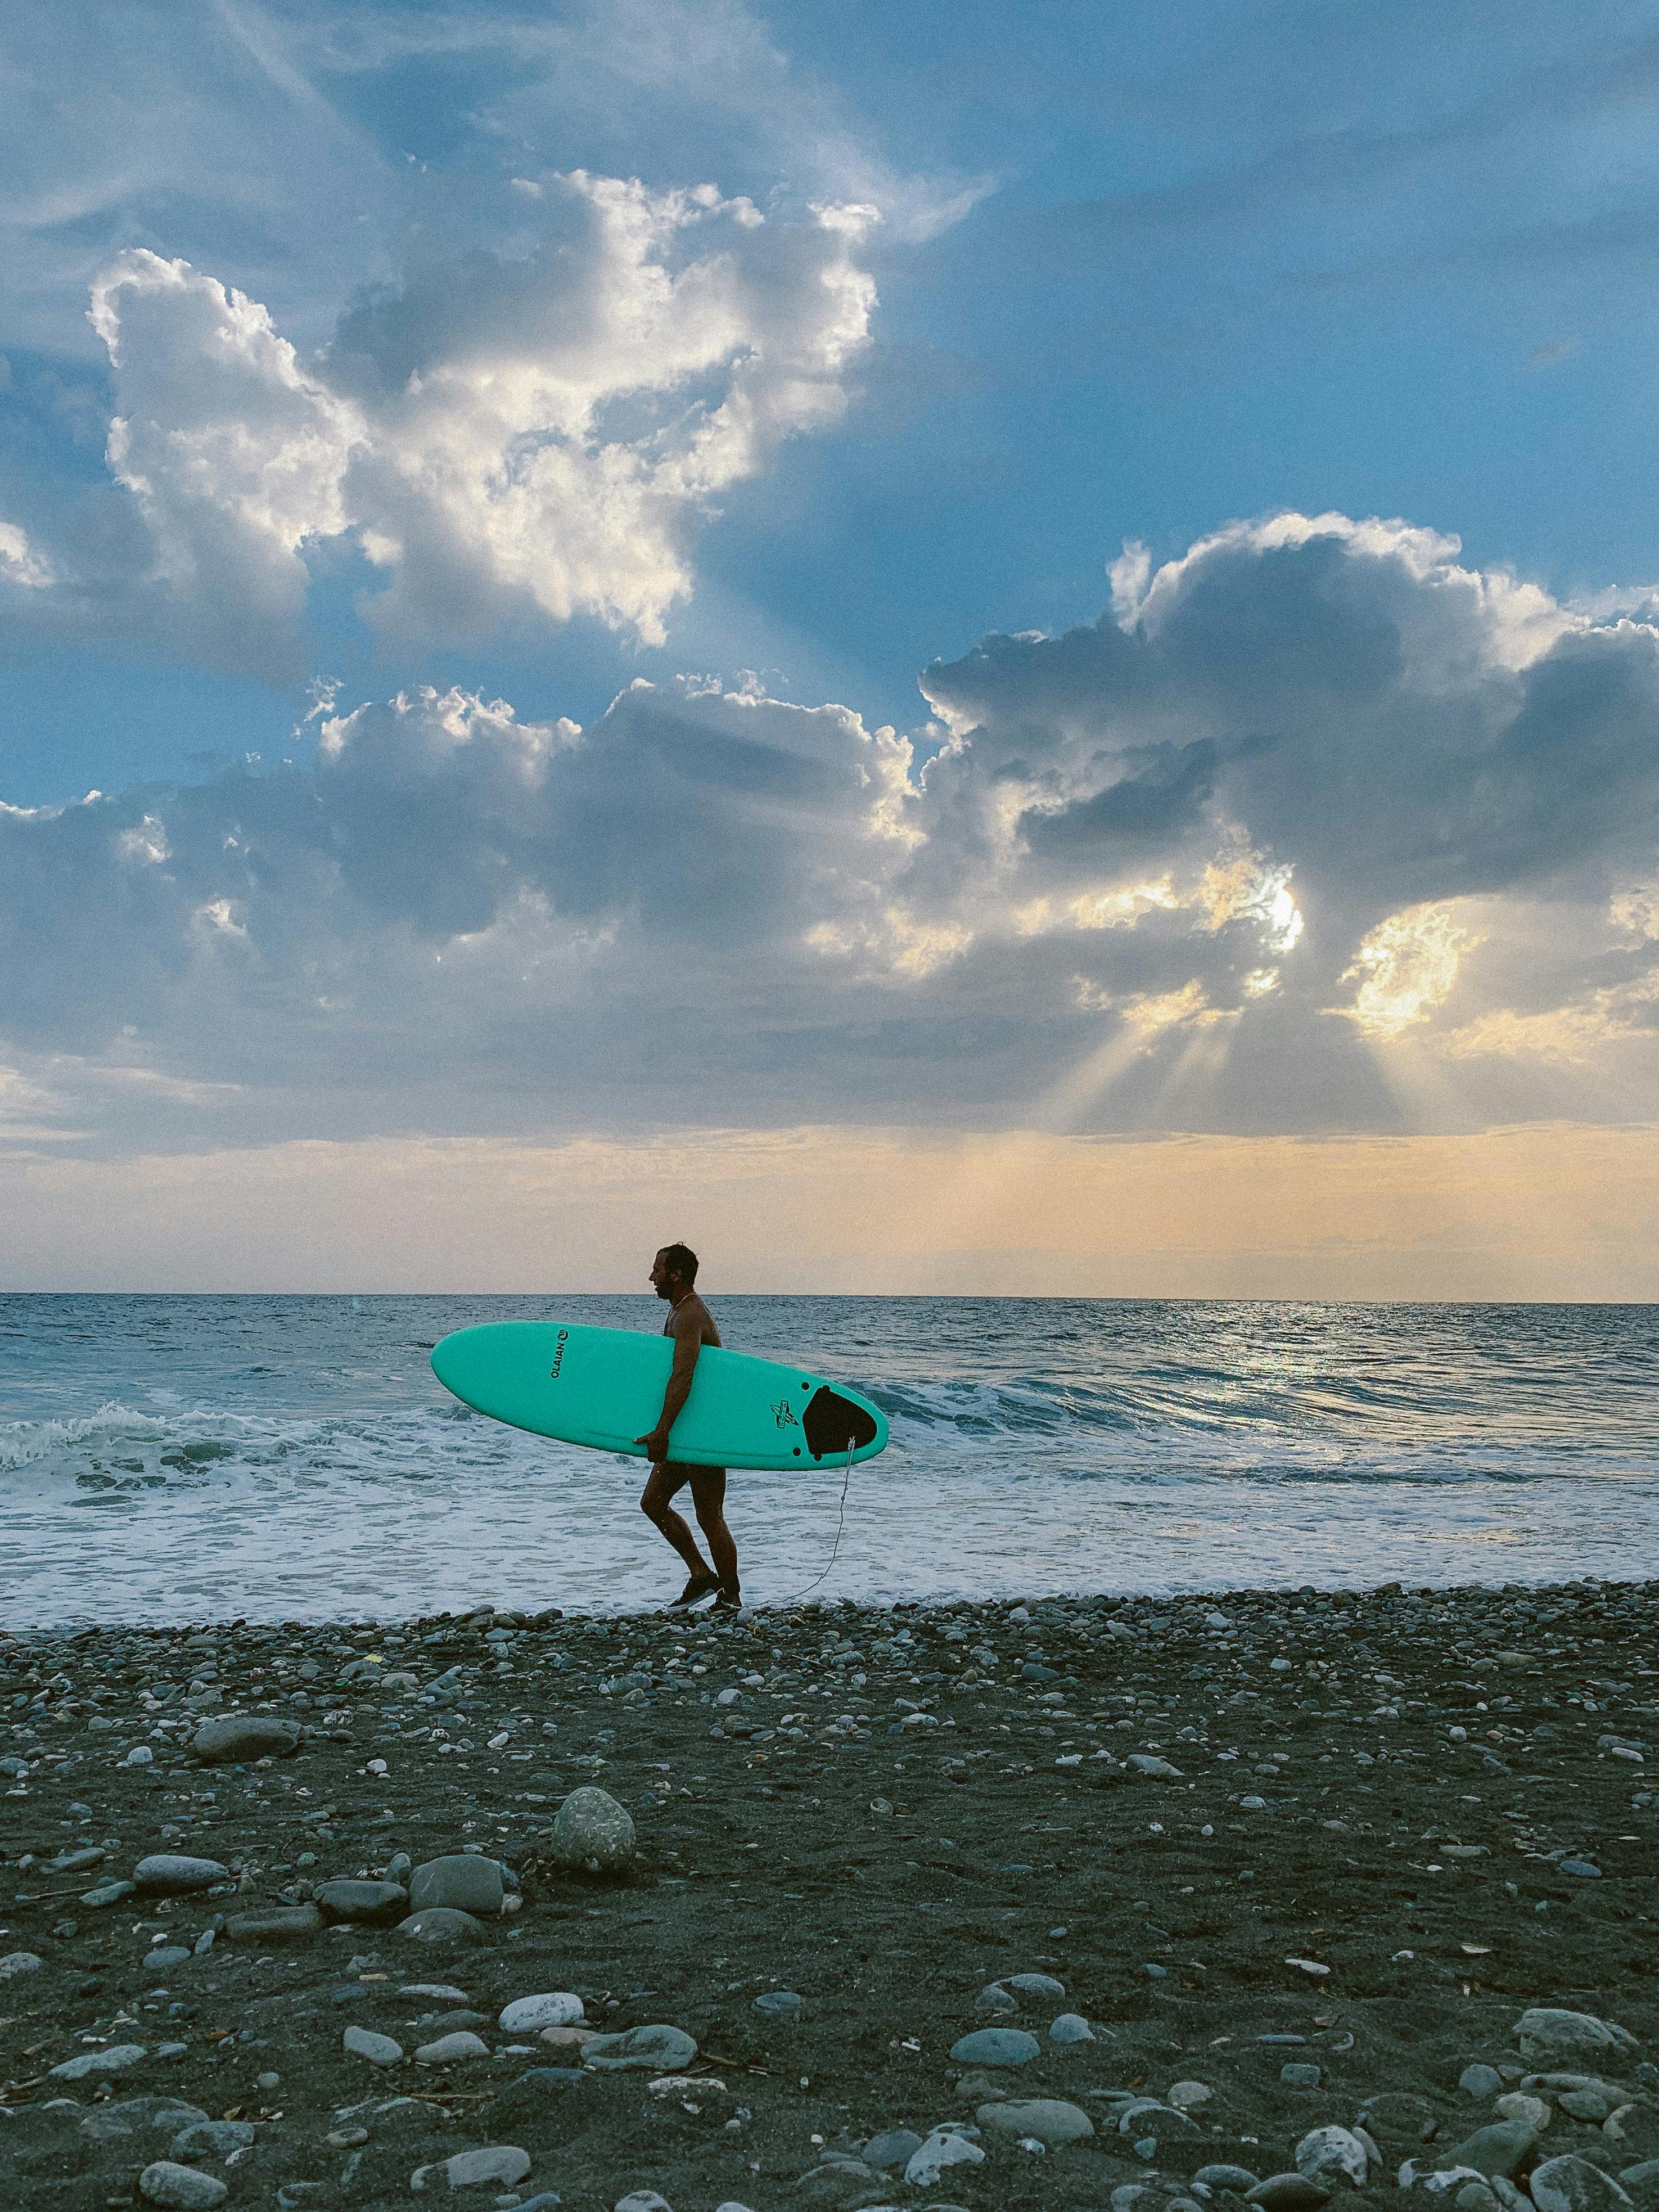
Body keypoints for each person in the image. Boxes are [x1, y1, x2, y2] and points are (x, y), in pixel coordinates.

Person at [635, 1242, 741, 1610]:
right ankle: (701, 1575)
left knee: (709, 1514)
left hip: (704, 1430)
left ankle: (731, 1597)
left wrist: (663, 1430)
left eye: (658, 1269)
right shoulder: (678, 1312)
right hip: (688, 1426)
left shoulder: (691, 1313)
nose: (652, 1276)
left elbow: (683, 1375)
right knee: (653, 1502)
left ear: (676, 1274)